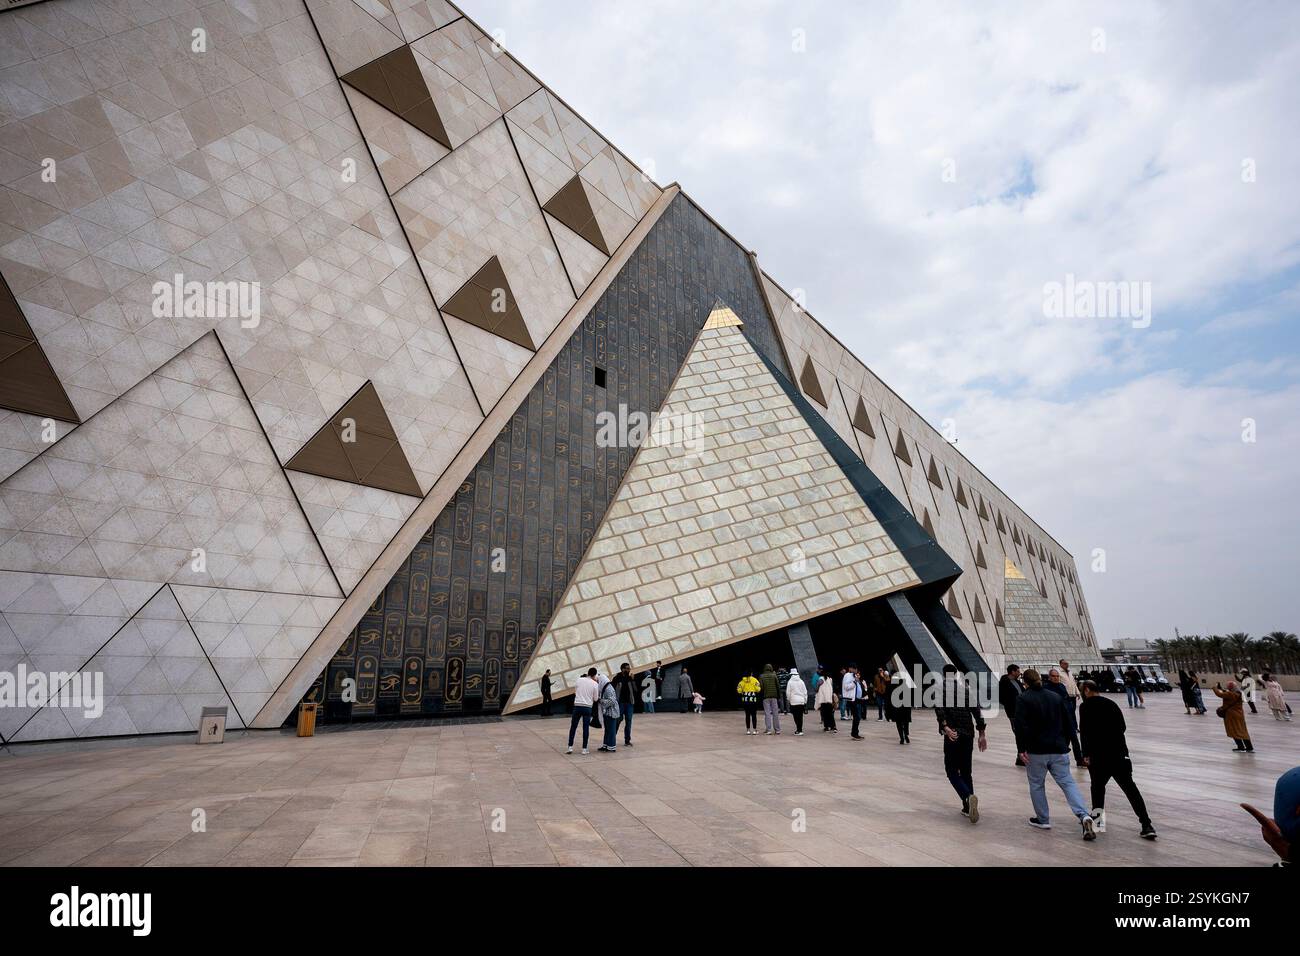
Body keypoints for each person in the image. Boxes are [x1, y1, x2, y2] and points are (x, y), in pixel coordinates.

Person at [1014, 668, 1097, 839]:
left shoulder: (1023, 698)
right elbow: (1069, 725)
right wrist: (1075, 750)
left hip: (1036, 750)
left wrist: (1021, 749)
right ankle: (1084, 815)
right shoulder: (1055, 697)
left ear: (1026, 682)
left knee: (1037, 784)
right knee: (1067, 782)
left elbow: (1020, 727)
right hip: (1059, 749)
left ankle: (1043, 819)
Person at [1079, 680, 1157, 840]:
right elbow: (1122, 727)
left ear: (1086, 690)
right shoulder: (1111, 703)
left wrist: (1085, 754)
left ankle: (1098, 822)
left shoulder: (1085, 706)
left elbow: (1085, 731)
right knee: (1131, 790)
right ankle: (1146, 824)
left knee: (1098, 789)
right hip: (1119, 754)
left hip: (1098, 756)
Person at [935, 663, 987, 823]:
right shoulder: (966, 689)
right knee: (966, 771)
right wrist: (982, 733)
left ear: (944, 675)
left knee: (951, 770)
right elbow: (977, 711)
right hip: (968, 733)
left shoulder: (940, 688)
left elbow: (940, 709)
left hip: (953, 734)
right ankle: (967, 807)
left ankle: (968, 797)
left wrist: (945, 727)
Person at [1046, 668, 1084, 766]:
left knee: (1074, 738)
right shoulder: (1046, 688)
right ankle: (1059, 758)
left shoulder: (1062, 686)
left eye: (1057, 676)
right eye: (1053, 676)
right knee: (1063, 740)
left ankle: (1079, 760)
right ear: (1049, 677)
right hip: (1057, 719)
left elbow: (1066, 699)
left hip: (1068, 717)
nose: (1056, 678)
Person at [1213, 680, 1254, 752]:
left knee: (1234, 730)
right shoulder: (1239, 693)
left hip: (1231, 715)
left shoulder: (1230, 694)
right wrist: (1221, 688)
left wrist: (1215, 687)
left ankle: (1240, 746)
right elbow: (1226, 692)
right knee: (1243, 730)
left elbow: (1219, 694)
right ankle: (1249, 747)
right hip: (1240, 715)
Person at [567, 668, 599, 755]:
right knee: (585, 728)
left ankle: (570, 747)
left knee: (573, 727)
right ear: (594, 675)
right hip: (587, 707)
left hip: (577, 706)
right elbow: (596, 699)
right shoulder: (595, 684)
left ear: (588, 673)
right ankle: (584, 749)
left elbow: (576, 692)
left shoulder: (579, 680)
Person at [999, 664, 1024, 766]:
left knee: (1022, 734)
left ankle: (1022, 756)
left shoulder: (1017, 682)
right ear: (1012, 672)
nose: (1019, 673)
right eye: (1018, 671)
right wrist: (1010, 705)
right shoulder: (1004, 682)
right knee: (1019, 734)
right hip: (1013, 712)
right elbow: (1001, 697)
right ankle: (1020, 757)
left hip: (1022, 711)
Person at [612, 662, 638, 747]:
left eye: (629, 668)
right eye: (627, 668)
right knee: (618, 721)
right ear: (622, 669)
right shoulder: (617, 678)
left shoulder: (630, 678)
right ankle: (612, 739)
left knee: (629, 721)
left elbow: (635, 690)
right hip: (620, 703)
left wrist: (633, 680)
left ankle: (627, 740)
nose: (629, 669)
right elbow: (612, 690)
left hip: (629, 703)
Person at [597, 672, 621, 752]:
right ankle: (606, 746)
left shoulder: (608, 688)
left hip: (611, 713)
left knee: (611, 730)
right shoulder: (605, 687)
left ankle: (611, 747)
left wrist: (601, 701)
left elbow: (612, 701)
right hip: (608, 712)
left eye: (598, 681)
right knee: (607, 730)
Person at [885, 671, 911, 743]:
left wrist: (887, 712)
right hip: (904, 706)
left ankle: (902, 737)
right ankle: (906, 734)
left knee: (898, 722)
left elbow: (888, 699)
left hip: (895, 707)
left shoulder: (890, 685)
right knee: (905, 721)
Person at [759, 663, 783, 735]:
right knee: (775, 713)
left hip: (766, 697)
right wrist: (779, 696)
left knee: (767, 713)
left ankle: (768, 730)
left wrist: (761, 696)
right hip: (774, 696)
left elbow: (761, 687)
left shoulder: (761, 676)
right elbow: (778, 686)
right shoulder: (774, 675)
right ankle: (777, 730)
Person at [842, 665, 863, 740]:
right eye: (854, 669)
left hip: (856, 699)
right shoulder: (848, 675)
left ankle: (855, 733)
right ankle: (854, 734)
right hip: (851, 699)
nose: (855, 670)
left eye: (856, 668)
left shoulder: (854, 676)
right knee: (857, 717)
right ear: (850, 668)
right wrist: (855, 682)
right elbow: (846, 687)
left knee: (857, 717)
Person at [737, 670, 762, 735]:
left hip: (745, 700)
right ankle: (754, 730)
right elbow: (758, 689)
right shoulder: (755, 680)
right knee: (754, 715)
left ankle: (748, 730)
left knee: (747, 715)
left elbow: (739, 690)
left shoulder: (742, 682)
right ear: (751, 673)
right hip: (753, 700)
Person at [785, 668, 808, 735]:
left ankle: (798, 729)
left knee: (795, 716)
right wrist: (805, 701)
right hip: (801, 701)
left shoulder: (790, 682)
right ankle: (800, 730)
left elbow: (788, 693)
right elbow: (805, 692)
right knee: (800, 716)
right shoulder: (801, 681)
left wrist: (789, 699)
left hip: (794, 701)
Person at [815, 668, 837, 733]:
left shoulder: (821, 678)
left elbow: (819, 684)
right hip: (829, 699)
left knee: (824, 714)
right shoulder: (830, 679)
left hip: (823, 699)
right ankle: (833, 727)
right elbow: (832, 688)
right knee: (830, 714)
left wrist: (817, 689)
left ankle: (826, 727)